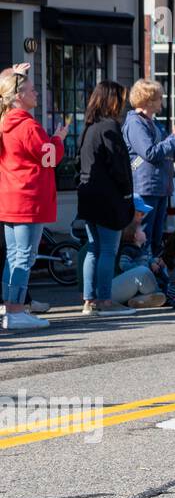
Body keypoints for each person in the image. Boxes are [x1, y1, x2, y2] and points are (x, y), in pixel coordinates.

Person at [1, 70, 66, 329]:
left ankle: (10, 308)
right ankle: (16, 311)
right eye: (31, 89)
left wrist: (14, 72)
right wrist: (58, 139)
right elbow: (49, 158)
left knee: (13, 256)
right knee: (24, 257)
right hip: (28, 198)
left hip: (9, 197)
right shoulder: (27, 125)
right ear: (19, 96)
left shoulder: (5, 121)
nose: (36, 92)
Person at [123, 79, 175, 257]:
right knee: (142, 235)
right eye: (159, 98)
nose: (163, 101)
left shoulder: (154, 123)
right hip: (144, 187)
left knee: (156, 237)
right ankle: (141, 271)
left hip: (159, 187)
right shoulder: (136, 123)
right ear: (148, 100)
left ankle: (154, 273)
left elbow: (171, 154)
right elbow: (150, 153)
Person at [77, 81, 137, 318]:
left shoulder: (89, 127)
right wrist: (126, 193)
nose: (122, 104)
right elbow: (119, 166)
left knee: (93, 249)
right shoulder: (110, 127)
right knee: (108, 250)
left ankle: (88, 300)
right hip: (108, 198)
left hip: (88, 195)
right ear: (112, 100)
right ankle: (105, 300)